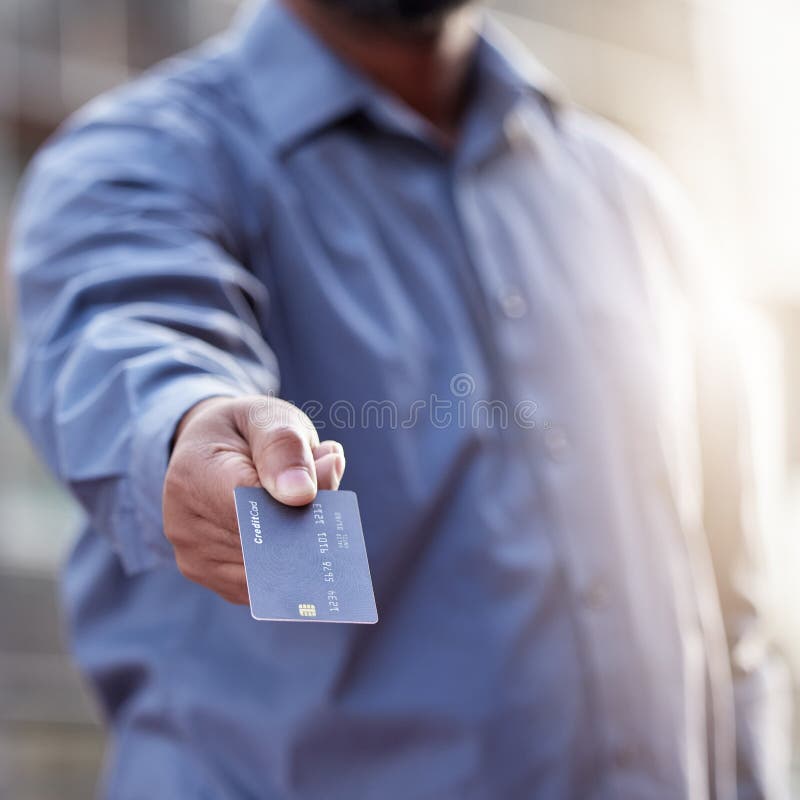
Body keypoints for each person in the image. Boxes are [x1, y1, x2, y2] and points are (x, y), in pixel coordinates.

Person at [8, 0, 791, 797]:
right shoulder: (141, 157)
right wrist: (184, 420)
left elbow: (730, 601)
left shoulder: (637, 203)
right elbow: (125, 324)